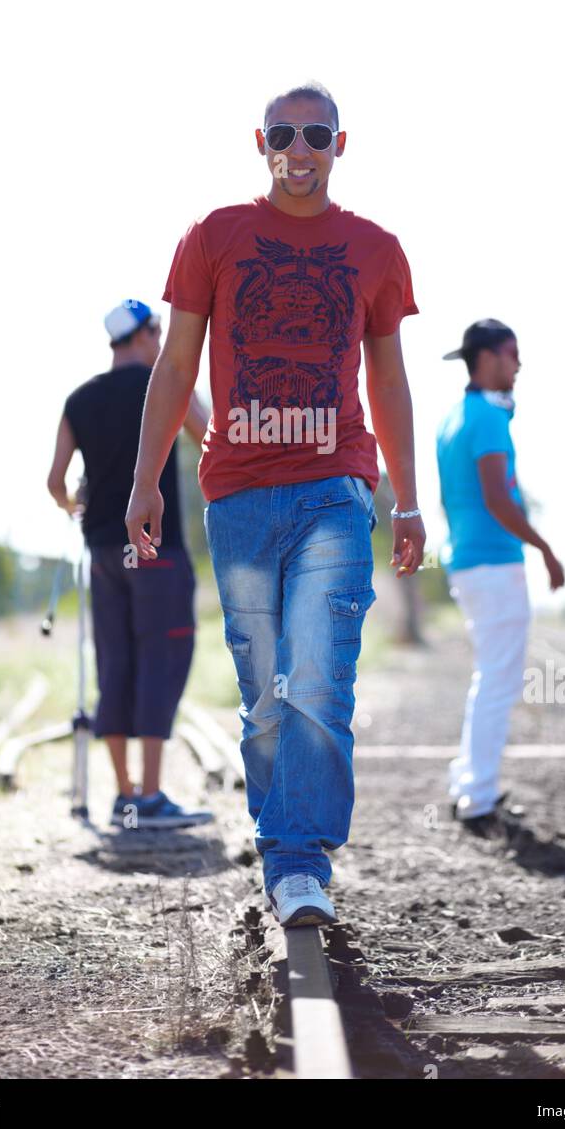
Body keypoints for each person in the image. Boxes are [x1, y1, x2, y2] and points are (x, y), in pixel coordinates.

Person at [124, 80, 425, 926]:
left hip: (337, 485)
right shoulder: (213, 236)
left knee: (318, 676)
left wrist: (405, 499)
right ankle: (285, 842)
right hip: (238, 495)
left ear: (340, 144)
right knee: (264, 690)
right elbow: (175, 367)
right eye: (285, 134)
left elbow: (390, 378)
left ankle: (300, 860)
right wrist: (147, 481)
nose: (301, 148)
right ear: (261, 141)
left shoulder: (375, 249)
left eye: (317, 134)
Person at [47, 298, 212, 829]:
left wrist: (76, 505)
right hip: (154, 549)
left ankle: (124, 797)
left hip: (103, 552)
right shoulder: (166, 382)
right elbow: (212, 440)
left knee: (115, 661)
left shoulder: (80, 399)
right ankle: (154, 794)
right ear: (142, 335)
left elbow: (55, 482)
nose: (163, 338)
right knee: (161, 660)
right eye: (158, 330)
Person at [437, 320, 565, 836]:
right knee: (499, 681)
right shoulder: (486, 418)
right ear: (488, 357)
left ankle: (468, 782)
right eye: (513, 354)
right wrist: (546, 548)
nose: (518, 364)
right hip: (493, 562)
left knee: (488, 678)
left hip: (468, 561)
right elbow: (497, 497)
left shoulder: (455, 417)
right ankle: (477, 797)